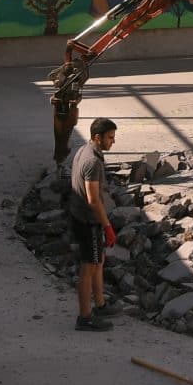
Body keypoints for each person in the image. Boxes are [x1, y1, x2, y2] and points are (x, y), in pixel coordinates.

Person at [68, 117, 118, 331]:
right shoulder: (92, 161)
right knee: (88, 267)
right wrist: (107, 226)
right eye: (110, 137)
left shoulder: (85, 150)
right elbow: (93, 199)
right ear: (97, 137)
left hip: (83, 217)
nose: (113, 142)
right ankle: (85, 318)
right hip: (89, 221)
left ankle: (100, 304)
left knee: (98, 261)